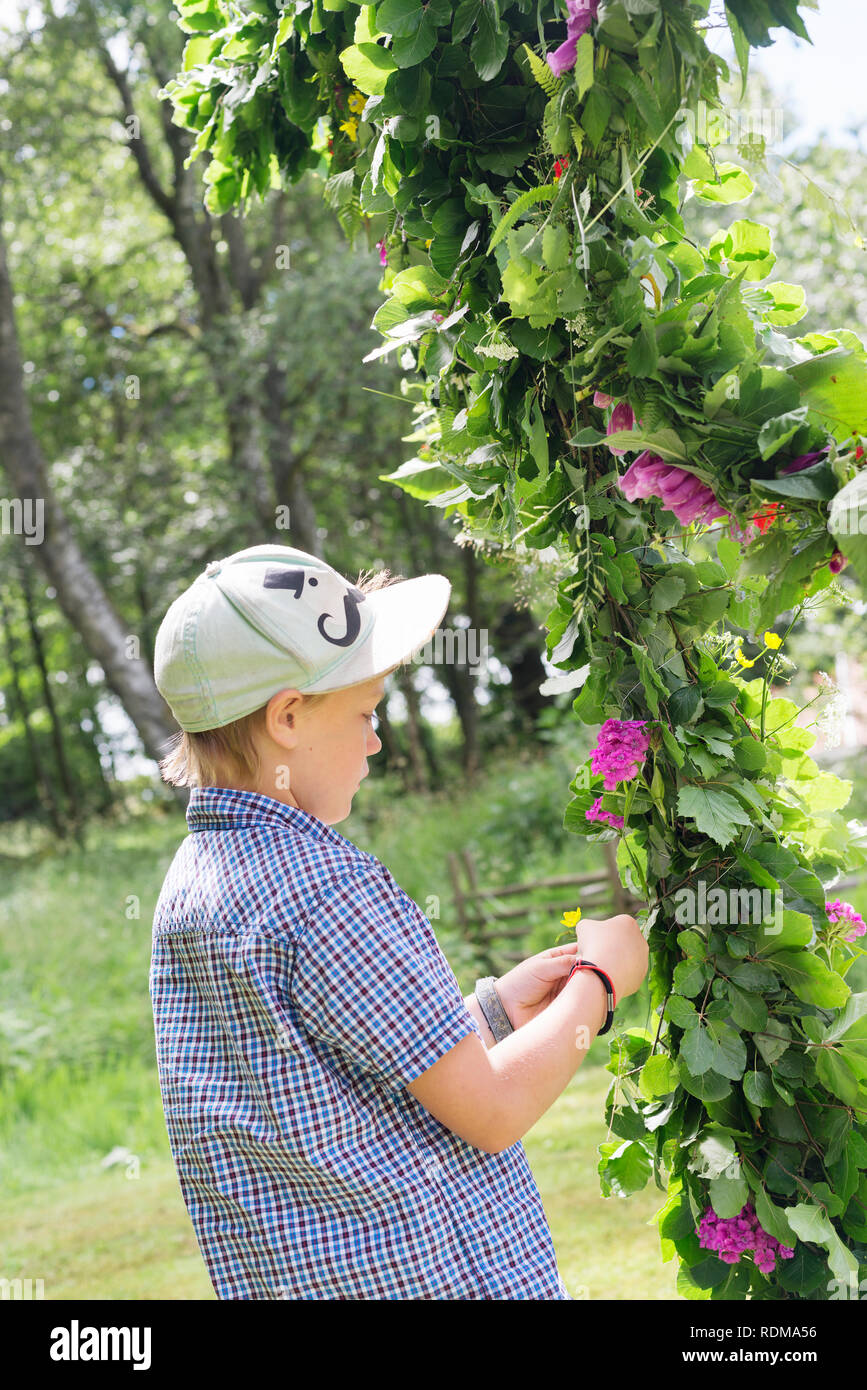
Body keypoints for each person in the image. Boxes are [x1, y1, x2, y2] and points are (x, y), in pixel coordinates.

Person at [149, 542, 649, 1300]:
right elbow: (491, 1111)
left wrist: (493, 1010)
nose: (376, 739)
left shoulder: (191, 889)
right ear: (288, 716)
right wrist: (600, 983)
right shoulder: (326, 888)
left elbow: (334, 1083)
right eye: (364, 711)